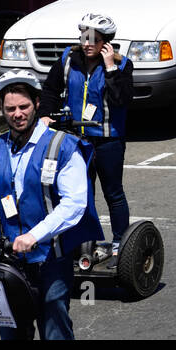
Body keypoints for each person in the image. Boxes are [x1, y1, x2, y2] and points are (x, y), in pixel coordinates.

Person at [0, 70, 102, 341]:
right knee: (11, 332)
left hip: (51, 257)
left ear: (37, 103)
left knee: (54, 328)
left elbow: (74, 203)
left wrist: (35, 235)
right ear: (1, 109)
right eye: (10, 108)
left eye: (24, 106)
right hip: (8, 259)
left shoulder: (62, 146)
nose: (17, 114)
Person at [40, 14, 133, 255]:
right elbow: (50, 89)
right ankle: (84, 242)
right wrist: (45, 114)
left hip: (108, 139)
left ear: (106, 43)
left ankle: (120, 242)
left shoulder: (122, 64)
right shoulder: (69, 59)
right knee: (82, 193)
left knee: (113, 192)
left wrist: (111, 68)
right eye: (84, 37)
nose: (87, 43)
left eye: (94, 39)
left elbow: (121, 99)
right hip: (76, 140)